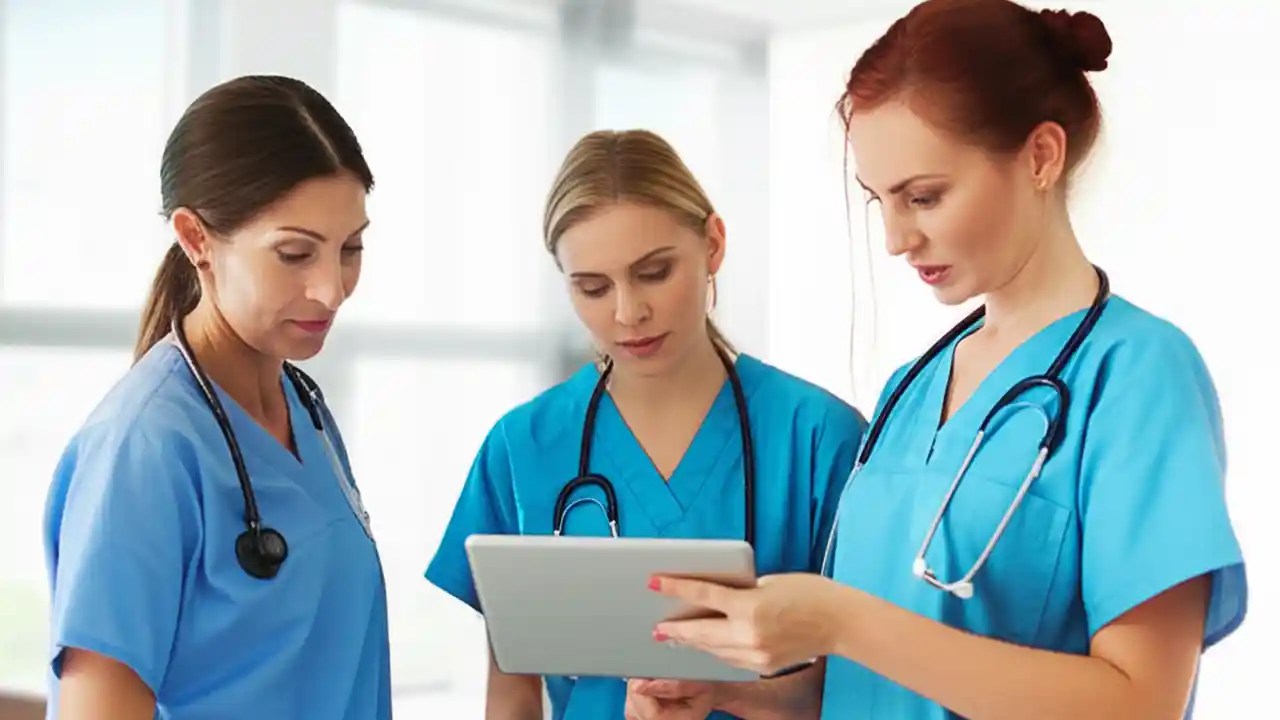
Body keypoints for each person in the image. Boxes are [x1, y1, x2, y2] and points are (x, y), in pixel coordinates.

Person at [645, 2, 1249, 718]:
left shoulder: (1138, 376)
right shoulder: (911, 390)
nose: (897, 238)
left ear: (1040, 157)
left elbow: (1140, 702)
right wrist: (737, 695)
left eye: (923, 197)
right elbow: (877, 686)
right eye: (881, 202)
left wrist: (841, 618)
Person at [424, 129, 867, 720]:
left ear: (713, 243)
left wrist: (722, 692)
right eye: (592, 287)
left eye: (655, 272)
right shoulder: (523, 446)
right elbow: (512, 691)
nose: (628, 313)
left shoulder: (818, 438)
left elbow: (860, 686)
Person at [42, 75, 392, 719]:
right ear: (197, 238)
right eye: (294, 253)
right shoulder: (144, 449)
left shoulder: (305, 412)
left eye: (351, 249)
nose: (332, 290)